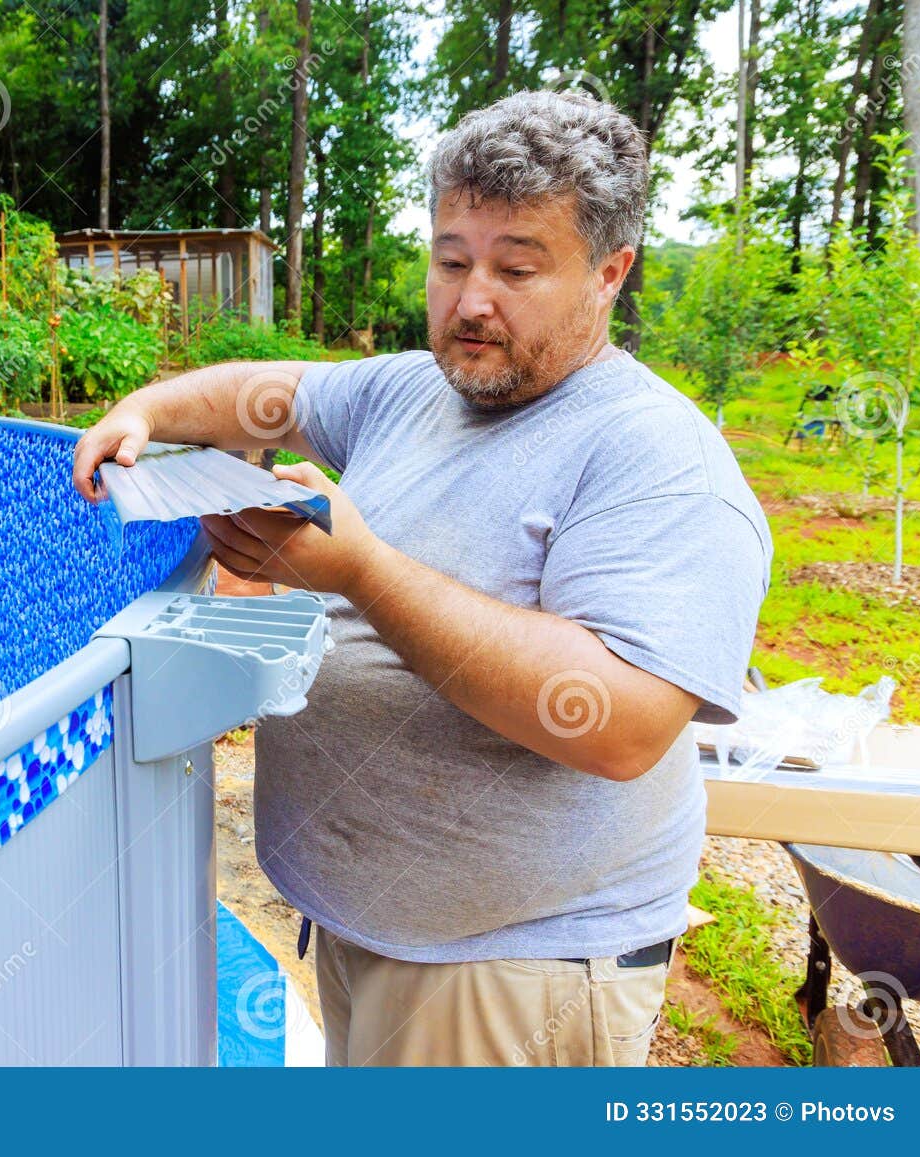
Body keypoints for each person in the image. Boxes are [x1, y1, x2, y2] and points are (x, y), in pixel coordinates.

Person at [71, 90, 771, 1067]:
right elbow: (253, 391)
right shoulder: (412, 388)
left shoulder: (652, 455)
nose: (471, 298)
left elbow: (619, 723)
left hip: (511, 970)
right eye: (451, 260)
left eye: (516, 267)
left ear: (610, 272)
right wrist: (149, 410)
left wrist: (359, 568)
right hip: (374, 928)